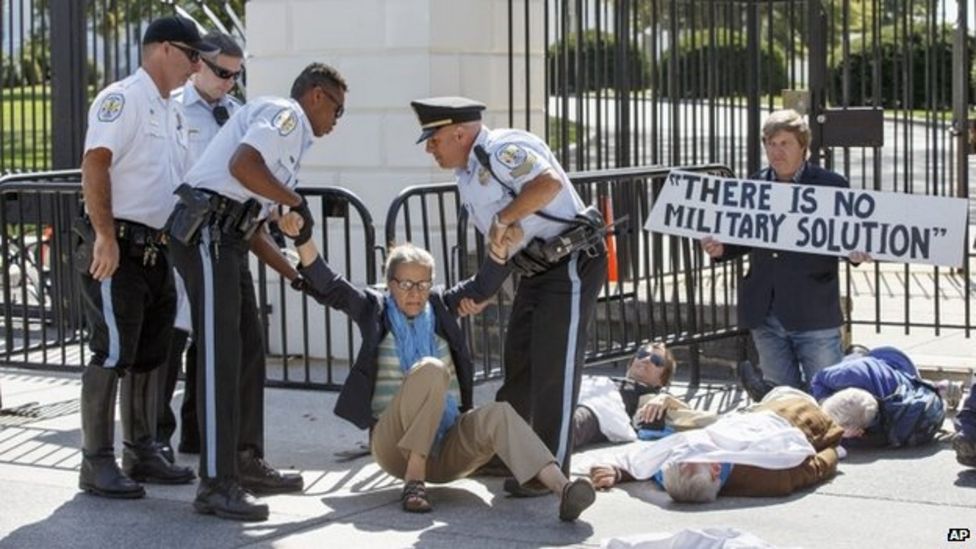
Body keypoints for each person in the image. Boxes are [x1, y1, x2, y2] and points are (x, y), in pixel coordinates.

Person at [283, 233, 595, 521]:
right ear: (389, 284)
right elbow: (330, 285)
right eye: (405, 284)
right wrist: (303, 233)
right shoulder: (372, 309)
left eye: (422, 284)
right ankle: (414, 481)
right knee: (431, 368)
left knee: (500, 414)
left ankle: (564, 490)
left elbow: (481, 286)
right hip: (394, 447)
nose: (415, 294)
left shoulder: (442, 306)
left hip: (447, 446)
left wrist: (499, 250)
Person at [166, 62, 346, 521]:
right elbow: (241, 166)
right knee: (220, 354)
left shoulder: (291, 136)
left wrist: (293, 273)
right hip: (206, 231)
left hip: (228, 237)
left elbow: (252, 225)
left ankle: (244, 462)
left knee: (247, 349)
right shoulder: (286, 115)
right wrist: (293, 200)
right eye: (338, 110)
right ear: (318, 96)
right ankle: (216, 484)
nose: (336, 122)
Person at [410, 96, 608, 484]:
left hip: (569, 259)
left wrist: (505, 217)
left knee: (555, 367)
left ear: (460, 132)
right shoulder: (467, 175)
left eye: (434, 139)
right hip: (533, 267)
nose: (430, 148)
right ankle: (508, 453)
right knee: (519, 361)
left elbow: (547, 183)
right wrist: (485, 290)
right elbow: (503, 244)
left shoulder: (502, 150)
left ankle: (549, 470)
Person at [76, 15, 211, 499]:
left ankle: (141, 449)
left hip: (157, 248)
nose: (197, 67)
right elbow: (96, 162)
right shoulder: (124, 97)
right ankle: (96, 462)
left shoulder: (170, 108)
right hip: (120, 247)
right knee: (112, 350)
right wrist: (104, 236)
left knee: (152, 351)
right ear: (163, 50)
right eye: (193, 55)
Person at [702, 109, 869, 396]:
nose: (776, 151)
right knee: (783, 400)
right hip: (765, 313)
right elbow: (745, 238)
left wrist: (853, 253)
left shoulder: (831, 185)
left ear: (803, 146)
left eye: (785, 143)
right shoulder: (754, 186)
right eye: (771, 143)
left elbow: (845, 238)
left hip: (813, 312)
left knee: (827, 397)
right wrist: (722, 248)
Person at [158, 31, 245, 461]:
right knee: (172, 337)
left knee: (207, 341)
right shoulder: (173, 109)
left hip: (222, 239)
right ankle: (158, 434)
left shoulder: (238, 114)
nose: (229, 82)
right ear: (199, 64)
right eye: (222, 72)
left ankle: (195, 431)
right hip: (183, 234)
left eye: (236, 75)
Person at [589, 391, 844, 502]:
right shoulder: (769, 478)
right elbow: (817, 467)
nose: (688, 449)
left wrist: (620, 472)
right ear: (714, 470)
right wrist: (836, 450)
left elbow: (651, 461)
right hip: (796, 417)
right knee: (843, 406)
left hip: (744, 417)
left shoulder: (678, 474)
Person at [811, 346, 946, 448]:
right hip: (902, 375)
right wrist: (822, 400)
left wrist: (846, 437)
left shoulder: (845, 373)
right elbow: (818, 379)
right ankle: (937, 386)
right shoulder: (847, 377)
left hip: (894, 361)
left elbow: (818, 379)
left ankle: (937, 386)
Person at [572, 342, 676, 450]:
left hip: (600, 409)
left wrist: (663, 398)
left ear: (662, 380)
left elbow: (687, 416)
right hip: (581, 392)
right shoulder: (610, 381)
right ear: (630, 364)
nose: (646, 360)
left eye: (656, 360)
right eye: (642, 354)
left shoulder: (651, 396)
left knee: (566, 426)